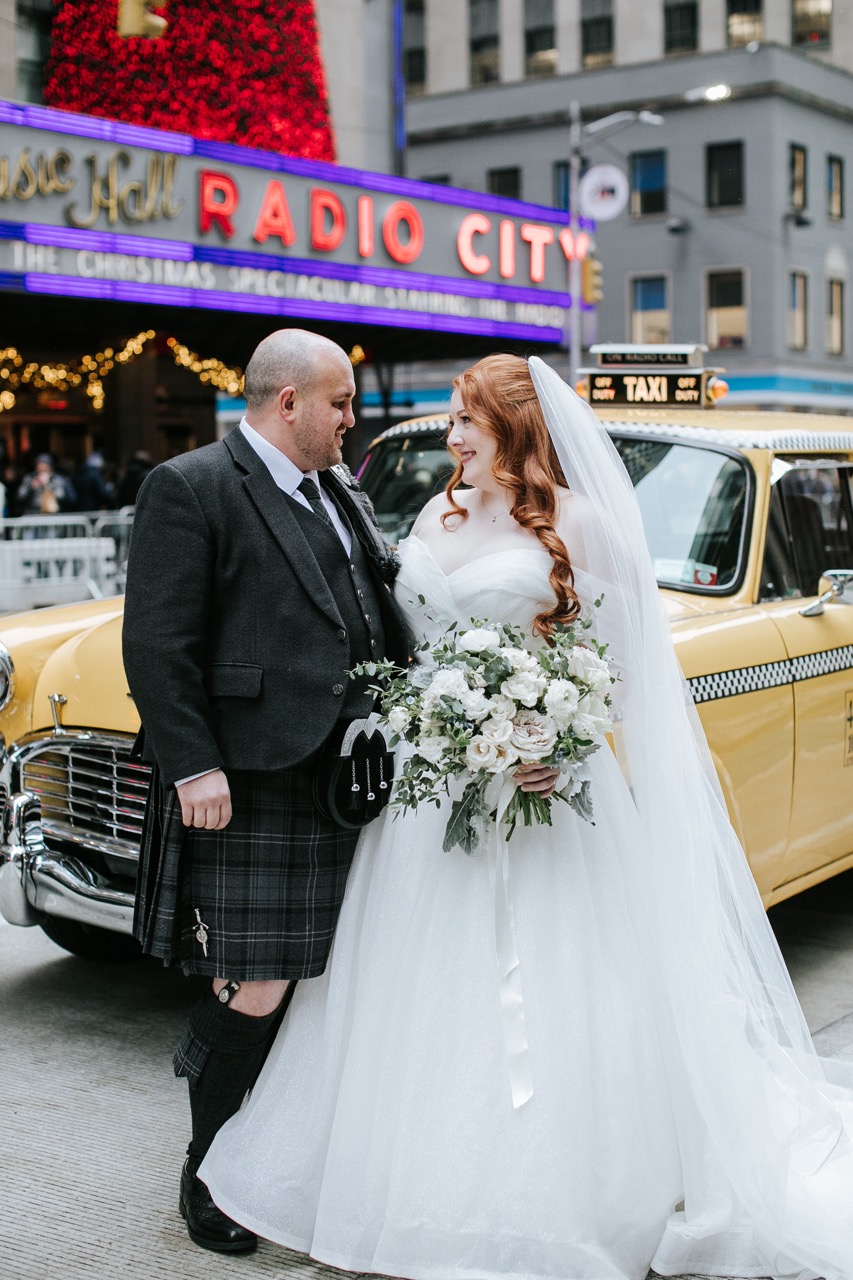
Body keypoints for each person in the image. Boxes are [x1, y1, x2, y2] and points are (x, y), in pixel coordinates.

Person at [199, 353, 853, 1280]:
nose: (451, 436)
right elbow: (403, 638)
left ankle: (554, 1190)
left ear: (513, 428)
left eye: (466, 421)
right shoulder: (437, 513)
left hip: (534, 798)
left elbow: (627, 669)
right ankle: (395, 1177)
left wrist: (559, 737)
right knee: (404, 991)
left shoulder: (579, 523)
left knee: (552, 988)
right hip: (422, 804)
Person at [121, 329, 415, 1255]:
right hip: (254, 775)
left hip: (355, 776)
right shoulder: (192, 486)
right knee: (255, 985)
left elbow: (379, 607)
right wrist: (192, 764)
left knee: (333, 979)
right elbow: (157, 645)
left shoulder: (340, 488)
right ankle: (207, 1170)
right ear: (287, 404)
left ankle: (277, 1155)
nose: (349, 419)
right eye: (339, 403)